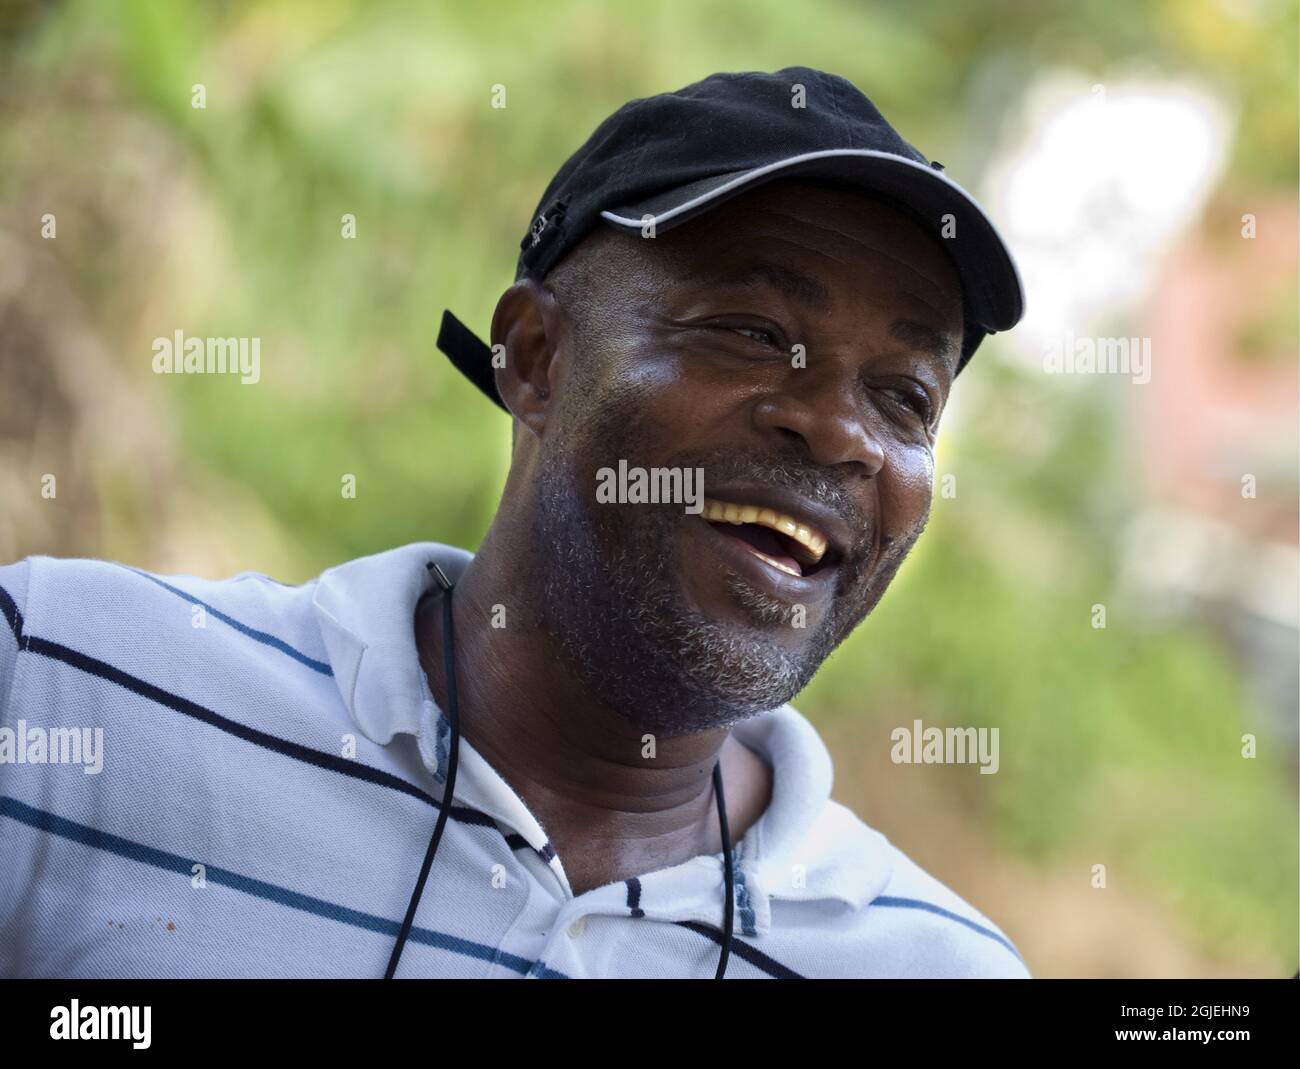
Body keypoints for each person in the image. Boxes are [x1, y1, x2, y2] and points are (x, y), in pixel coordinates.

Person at [0, 66, 1028, 978]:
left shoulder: (932, 961)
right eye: (752, 332)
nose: (837, 429)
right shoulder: (65, 684)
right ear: (534, 357)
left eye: (904, 397)